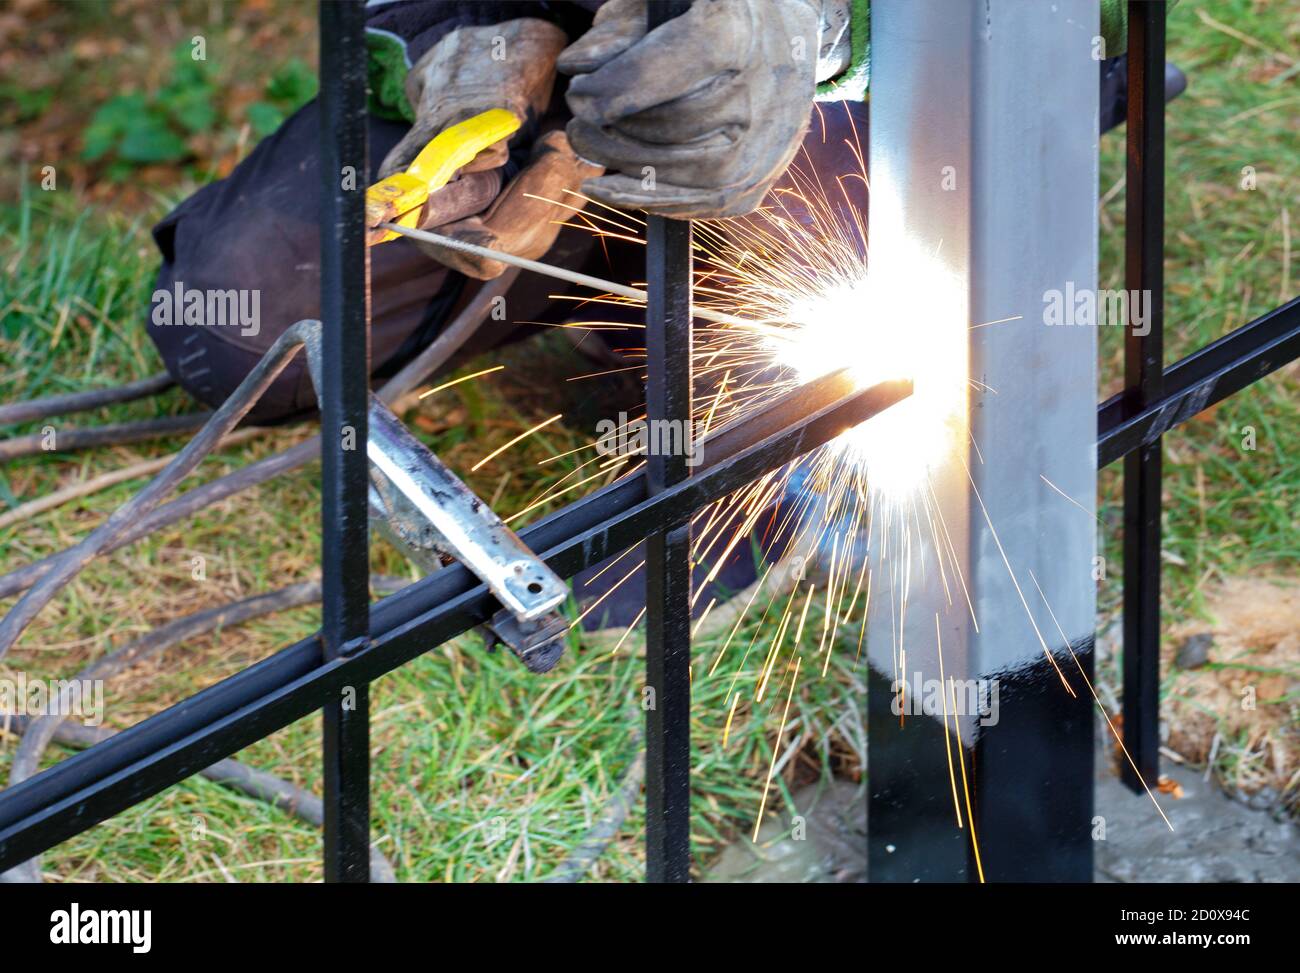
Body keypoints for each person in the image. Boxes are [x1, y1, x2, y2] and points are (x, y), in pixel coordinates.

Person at [142, 1, 1181, 628]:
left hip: (854, 82)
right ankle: (629, 263)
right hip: (583, 75)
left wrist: (788, 26)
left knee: (785, 171)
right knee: (235, 323)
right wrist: (472, 49)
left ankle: (748, 449)